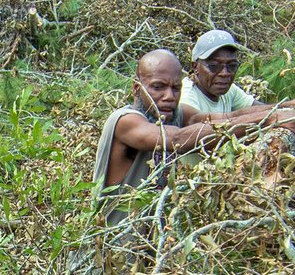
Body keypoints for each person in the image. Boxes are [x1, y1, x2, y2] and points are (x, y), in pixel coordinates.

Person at [93, 49, 223, 204]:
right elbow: (177, 138)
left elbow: (220, 119)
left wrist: (251, 119)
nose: (169, 97)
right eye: (158, 87)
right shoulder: (124, 121)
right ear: (136, 88)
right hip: (121, 221)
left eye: (176, 88)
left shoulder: (176, 114)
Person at [177, 29, 295, 152]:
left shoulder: (228, 90)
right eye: (214, 66)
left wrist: (294, 106)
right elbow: (197, 122)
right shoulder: (186, 93)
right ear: (195, 67)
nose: (225, 73)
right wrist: (273, 117)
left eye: (231, 66)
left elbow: (258, 108)